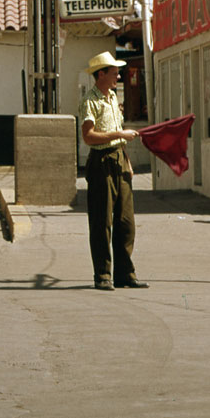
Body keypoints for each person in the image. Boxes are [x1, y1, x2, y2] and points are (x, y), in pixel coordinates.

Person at [81, 51, 146, 290]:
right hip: (101, 161)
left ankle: (125, 273)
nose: (118, 75)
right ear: (101, 74)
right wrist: (120, 134)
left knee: (126, 221)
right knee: (102, 221)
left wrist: (126, 160)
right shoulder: (91, 100)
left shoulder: (111, 99)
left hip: (119, 159)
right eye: (114, 71)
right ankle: (103, 275)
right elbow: (88, 136)